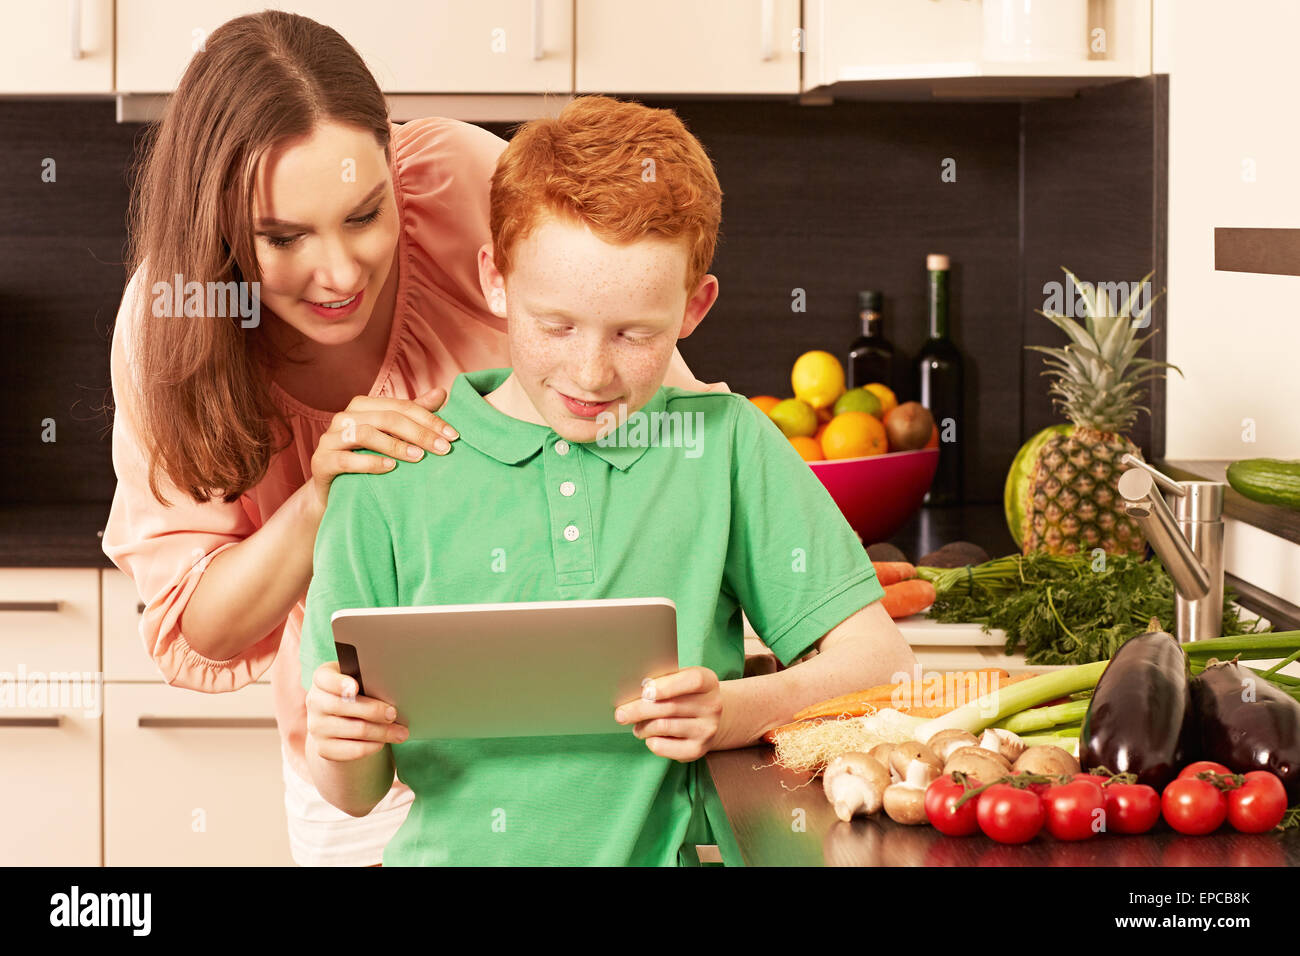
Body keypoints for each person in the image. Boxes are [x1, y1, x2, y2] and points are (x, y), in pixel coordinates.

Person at [100, 11, 727, 868]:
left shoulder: (462, 181)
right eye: (284, 237)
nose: (340, 273)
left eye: (365, 215)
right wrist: (320, 500)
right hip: (362, 762)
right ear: (216, 224)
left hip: (586, 753)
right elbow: (198, 626)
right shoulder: (168, 325)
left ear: (394, 165)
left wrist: (763, 531)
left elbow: (652, 399)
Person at [299, 95, 918, 866]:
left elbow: (883, 667)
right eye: (555, 325)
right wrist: (339, 737)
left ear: (695, 307)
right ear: (494, 279)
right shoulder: (389, 474)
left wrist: (734, 710)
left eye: (634, 333)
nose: (591, 374)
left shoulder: (723, 447)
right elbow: (354, 790)